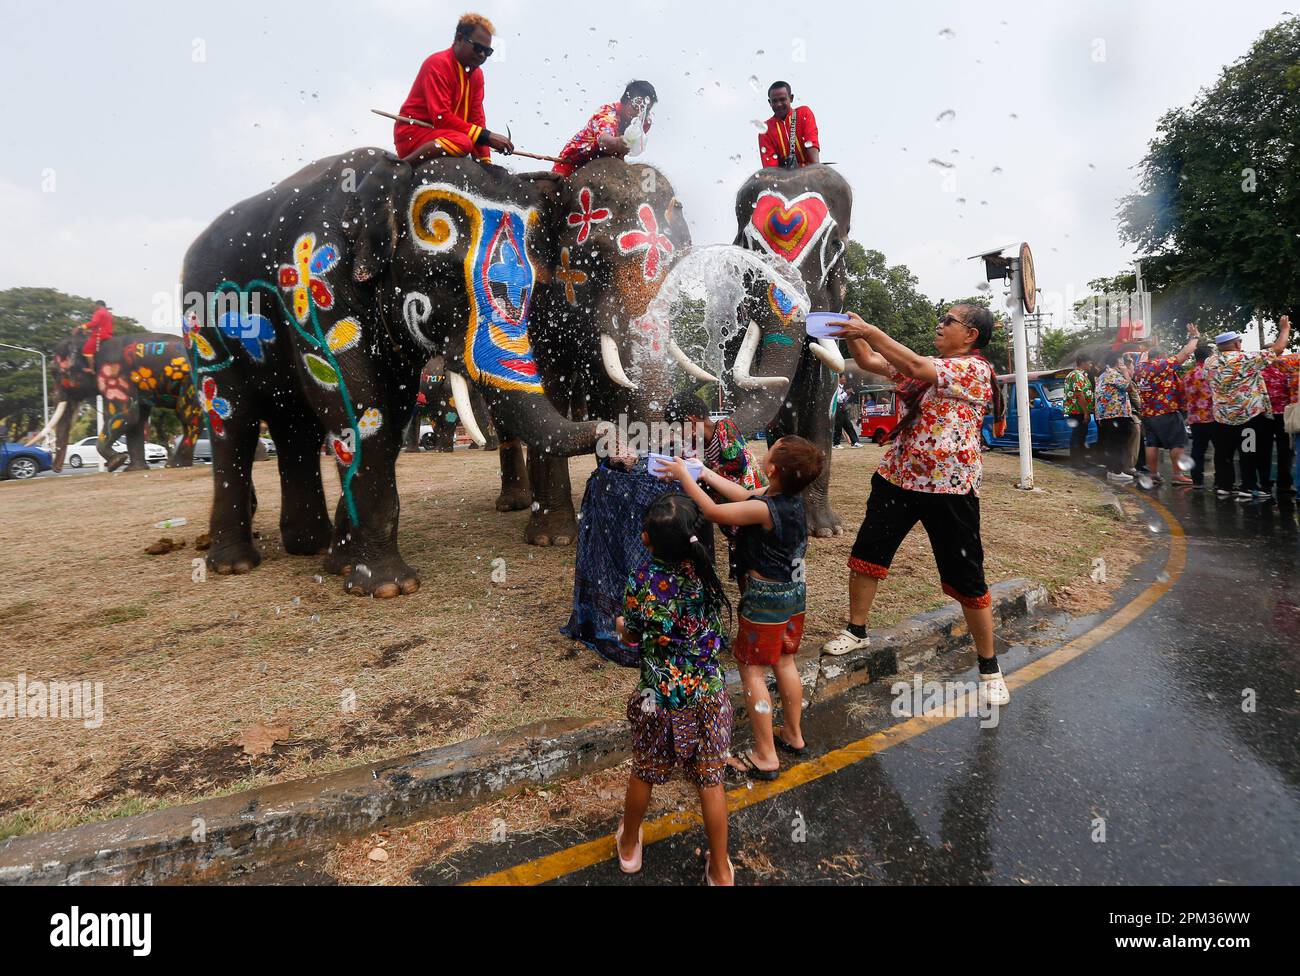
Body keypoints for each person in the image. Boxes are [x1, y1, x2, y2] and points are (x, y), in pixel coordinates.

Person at [821, 306, 1011, 708]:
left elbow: (914, 365)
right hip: (898, 478)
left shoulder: (974, 371)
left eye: (949, 321)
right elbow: (871, 360)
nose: (940, 325)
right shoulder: (929, 366)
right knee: (866, 554)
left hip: (950, 488)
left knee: (967, 577)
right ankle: (857, 630)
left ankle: (989, 666)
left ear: (971, 334)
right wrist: (851, 331)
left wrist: (869, 326)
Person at [662, 436, 823, 782]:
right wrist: (702, 471)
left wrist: (684, 477)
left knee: (752, 670)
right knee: (784, 660)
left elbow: (714, 511)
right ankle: (793, 735)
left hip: (765, 600)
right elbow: (741, 495)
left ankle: (765, 755)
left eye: (772, 446)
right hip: (793, 594)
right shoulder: (788, 500)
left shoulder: (766, 507)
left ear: (772, 468)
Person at [614, 493, 734, 885]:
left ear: (646, 540)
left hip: (657, 700)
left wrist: (621, 626)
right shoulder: (705, 572)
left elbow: (632, 634)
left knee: (644, 772)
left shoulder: (642, 580)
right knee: (710, 780)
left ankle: (630, 845)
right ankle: (719, 868)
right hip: (706, 698)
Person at [393, 13, 515, 160]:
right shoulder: (437, 64)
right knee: (463, 142)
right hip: (415, 134)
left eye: (487, 51)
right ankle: (403, 167)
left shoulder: (477, 76)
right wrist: (487, 137)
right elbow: (441, 117)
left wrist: (485, 160)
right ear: (458, 39)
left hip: (449, 136)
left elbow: (476, 120)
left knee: (469, 145)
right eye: (477, 48)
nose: (482, 54)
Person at [1207, 317, 1291, 500]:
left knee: (1223, 454)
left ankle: (1224, 486)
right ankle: (1248, 486)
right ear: (1236, 344)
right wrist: (1284, 329)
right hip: (1248, 418)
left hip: (1221, 418)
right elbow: (1278, 349)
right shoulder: (1245, 358)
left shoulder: (1210, 362)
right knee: (1248, 451)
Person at [1134, 325, 1200, 486]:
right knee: (1178, 442)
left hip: (1148, 413)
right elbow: (1185, 353)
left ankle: (1154, 474)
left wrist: (1150, 345)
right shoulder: (1161, 365)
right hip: (1166, 411)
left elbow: (1144, 355)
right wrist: (1195, 337)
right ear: (1162, 356)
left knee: (1152, 443)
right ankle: (1178, 475)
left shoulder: (1140, 368)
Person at [552, 81, 657, 177]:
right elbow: (604, 141)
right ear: (625, 101)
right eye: (635, 107)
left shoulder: (645, 122)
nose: (639, 114)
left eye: (645, 110)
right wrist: (618, 143)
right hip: (573, 163)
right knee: (554, 190)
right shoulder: (608, 113)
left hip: (607, 165)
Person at [1260, 347, 1299, 498]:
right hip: (1284, 415)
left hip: (1264, 414)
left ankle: (1265, 484)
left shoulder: (1257, 370)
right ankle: (1284, 485)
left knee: (1263, 450)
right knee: (1285, 451)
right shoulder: (1288, 369)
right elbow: (1292, 390)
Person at [1095, 351, 1136, 484]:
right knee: (1118, 442)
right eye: (1121, 360)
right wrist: (1125, 372)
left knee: (1112, 443)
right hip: (1116, 414)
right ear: (1116, 361)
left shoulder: (1103, 374)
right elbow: (1127, 386)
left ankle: (1113, 470)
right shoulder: (1112, 374)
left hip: (1109, 415)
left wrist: (1128, 368)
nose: (1123, 363)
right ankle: (1116, 471)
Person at [758, 81, 820, 168]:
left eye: (782, 99)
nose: (779, 104)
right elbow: (770, 167)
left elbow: (811, 142)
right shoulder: (765, 129)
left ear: (791, 98)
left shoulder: (804, 113)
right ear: (769, 102)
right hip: (783, 177)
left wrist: (816, 168)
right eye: (774, 101)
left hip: (809, 170)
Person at [1182, 345, 1216, 489]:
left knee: (1198, 449)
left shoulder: (1188, 375)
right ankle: (1220, 482)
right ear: (1209, 356)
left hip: (1195, 419)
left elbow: (1183, 396)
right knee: (1220, 450)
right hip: (1213, 417)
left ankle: (1197, 480)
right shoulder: (1213, 372)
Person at [1063, 353, 1095, 469]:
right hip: (1077, 410)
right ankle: (1076, 461)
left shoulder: (1080, 375)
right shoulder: (1077, 375)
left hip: (1078, 410)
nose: (1091, 365)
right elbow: (1078, 394)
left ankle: (1080, 459)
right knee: (1078, 435)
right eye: (1090, 362)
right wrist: (1086, 412)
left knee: (1081, 435)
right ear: (1083, 363)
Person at [79, 300, 114, 374]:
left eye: (95, 306)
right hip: (108, 335)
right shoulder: (109, 314)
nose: (95, 308)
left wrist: (81, 327)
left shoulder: (98, 312)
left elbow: (94, 323)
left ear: (98, 305)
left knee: (87, 350)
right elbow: (103, 326)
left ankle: (91, 369)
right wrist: (90, 332)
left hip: (99, 336)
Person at [832, 376, 862, 448]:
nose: (845, 379)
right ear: (839, 378)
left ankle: (855, 442)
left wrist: (848, 394)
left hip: (842, 408)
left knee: (849, 425)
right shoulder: (835, 387)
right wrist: (846, 393)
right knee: (838, 426)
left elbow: (843, 399)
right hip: (838, 408)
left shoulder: (841, 387)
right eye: (843, 378)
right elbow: (837, 399)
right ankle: (836, 444)